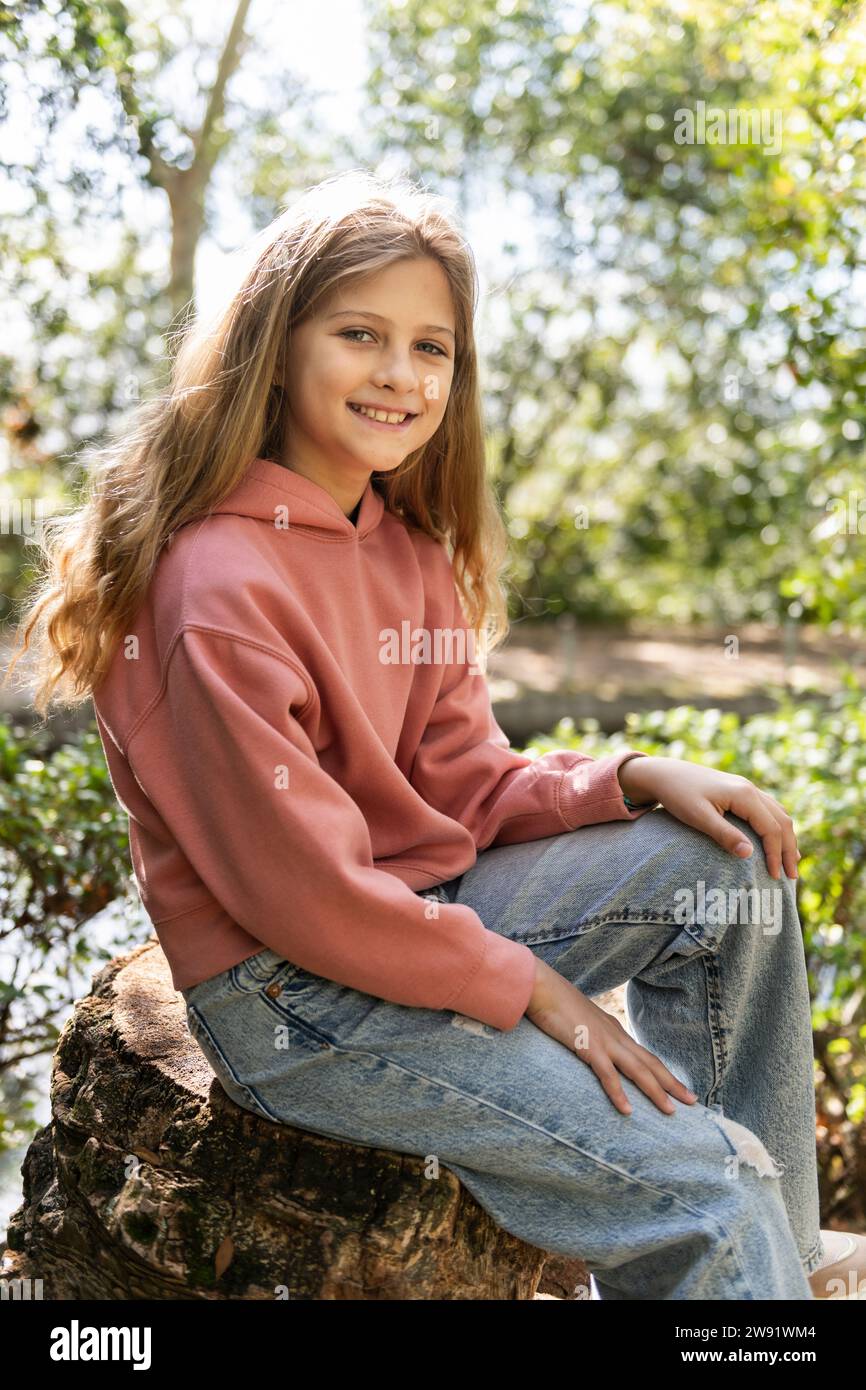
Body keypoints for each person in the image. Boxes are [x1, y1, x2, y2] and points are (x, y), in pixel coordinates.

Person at [7, 168, 864, 1301]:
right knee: (703, 1182)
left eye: (431, 347)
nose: (400, 375)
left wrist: (630, 775)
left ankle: (773, 1270)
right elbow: (303, 896)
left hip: (421, 923)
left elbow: (463, 785)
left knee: (726, 873)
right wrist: (539, 994)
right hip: (293, 995)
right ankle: (734, 1250)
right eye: (360, 333)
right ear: (275, 343)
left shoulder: (396, 543)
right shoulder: (215, 585)